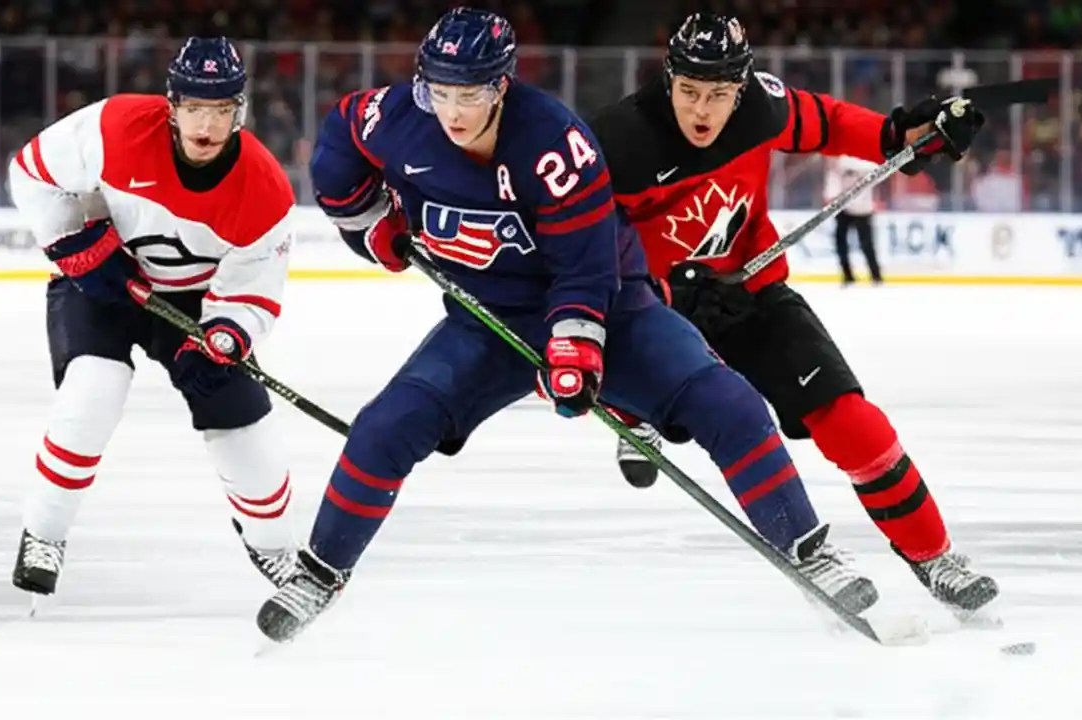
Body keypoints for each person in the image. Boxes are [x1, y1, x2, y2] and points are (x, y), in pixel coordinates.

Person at [254, 7, 880, 644]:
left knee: (732, 404)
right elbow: (339, 143)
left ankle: (808, 551)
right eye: (439, 92)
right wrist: (366, 220)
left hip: (613, 306)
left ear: (501, 86)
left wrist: (575, 350)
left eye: (469, 94)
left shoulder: (557, 143)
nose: (452, 111)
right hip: (486, 320)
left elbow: (585, 269)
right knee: (385, 426)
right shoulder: (396, 117)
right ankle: (320, 571)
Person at [587, 12, 998, 615]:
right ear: (668, 79)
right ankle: (636, 405)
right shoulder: (619, 141)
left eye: (720, 95)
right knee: (725, 414)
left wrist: (902, 137)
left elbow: (828, 122)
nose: (703, 111)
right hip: (657, 308)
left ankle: (933, 555)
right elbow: (582, 246)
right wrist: (670, 293)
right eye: (690, 92)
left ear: (742, 89)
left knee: (854, 420)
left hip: (752, 291)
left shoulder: (762, 107)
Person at [7, 37, 300, 600]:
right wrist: (77, 246)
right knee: (93, 390)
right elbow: (32, 173)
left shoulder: (264, 189)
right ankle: (44, 534)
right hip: (103, 282)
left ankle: (275, 547)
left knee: (243, 425)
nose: (206, 125)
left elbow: (253, 292)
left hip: (194, 305)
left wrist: (226, 334)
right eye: (194, 106)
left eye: (220, 109)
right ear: (172, 103)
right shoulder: (115, 127)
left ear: (240, 110)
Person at [825, 154, 883, 285]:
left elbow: (877, 172)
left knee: (867, 244)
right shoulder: (843, 160)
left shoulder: (866, 162)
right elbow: (833, 177)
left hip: (863, 207)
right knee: (841, 243)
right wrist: (831, 196)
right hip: (843, 206)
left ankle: (876, 275)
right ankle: (848, 275)